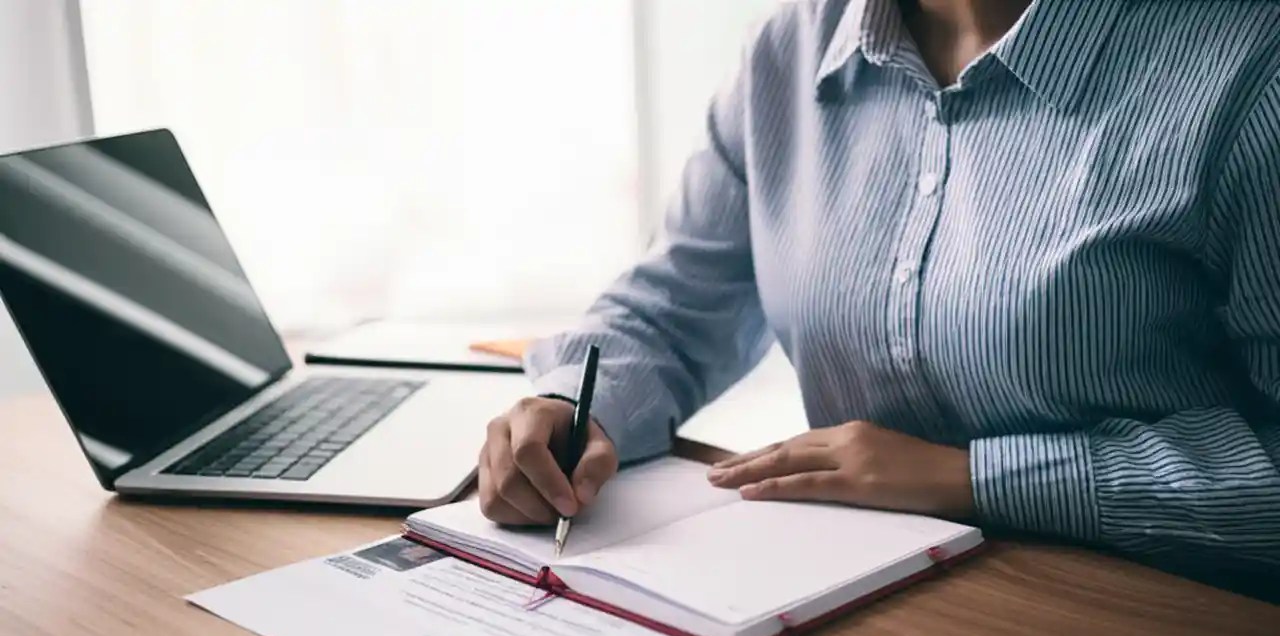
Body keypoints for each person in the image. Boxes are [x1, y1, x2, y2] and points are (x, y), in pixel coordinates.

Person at [476, 0, 1280, 575]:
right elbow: (672, 308)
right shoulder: (788, 51)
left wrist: (969, 479)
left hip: (1167, 623)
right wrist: (569, 409)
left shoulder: (1249, 71)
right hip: (862, 602)